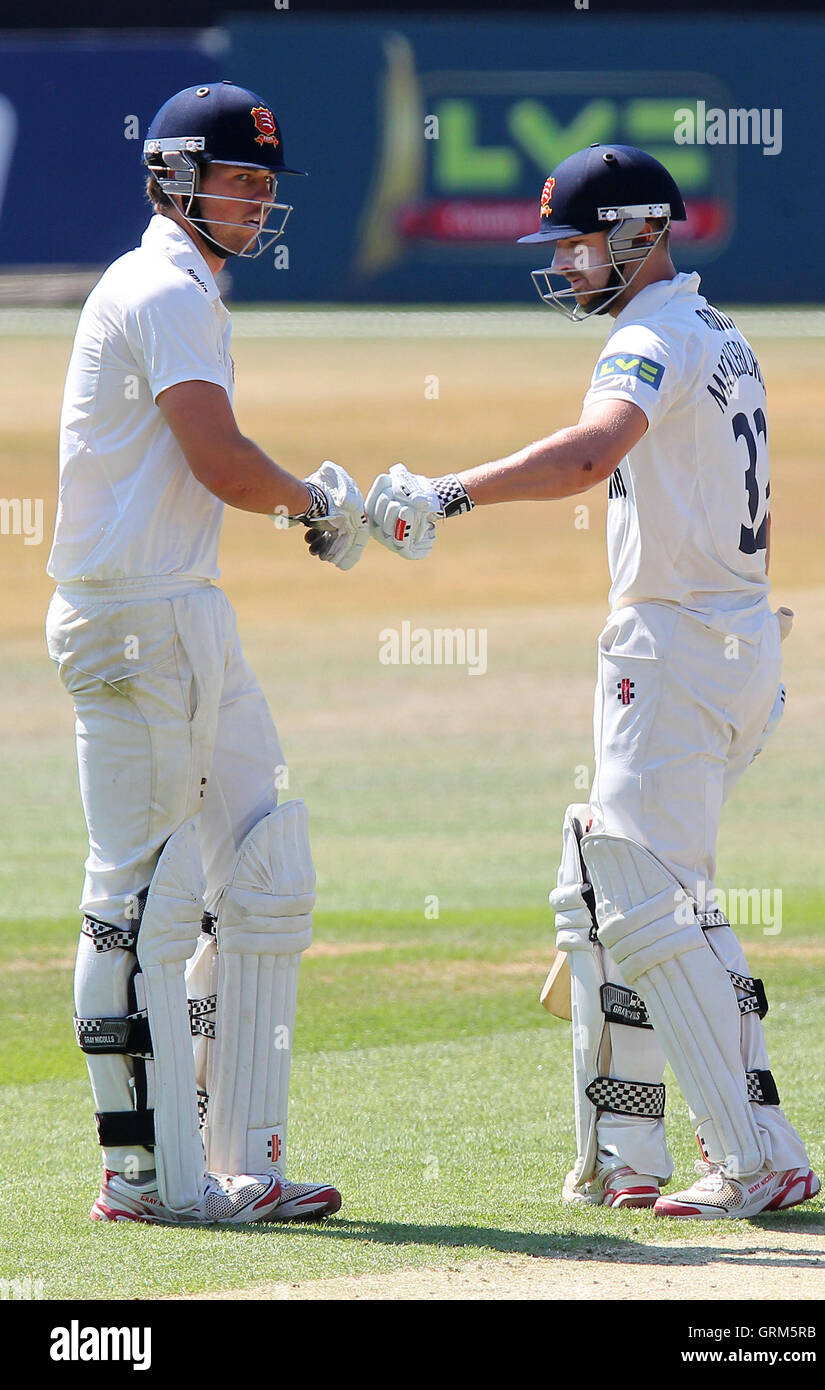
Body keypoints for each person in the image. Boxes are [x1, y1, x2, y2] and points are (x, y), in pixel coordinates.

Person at [363, 144, 819, 1219]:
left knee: (644, 901)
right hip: (728, 641)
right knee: (621, 897)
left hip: (675, 654)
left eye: (574, 245)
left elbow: (585, 455)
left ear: (636, 233)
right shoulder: (714, 329)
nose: (565, 267)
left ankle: (754, 1155)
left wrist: (443, 494)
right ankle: (626, 1150)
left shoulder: (651, 335)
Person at [46, 81, 367, 1225]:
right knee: (135, 901)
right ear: (176, 179)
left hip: (183, 610)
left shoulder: (184, 286)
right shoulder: (162, 286)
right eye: (237, 179)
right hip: (134, 618)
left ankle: (241, 1155)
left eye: (264, 183)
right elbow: (222, 462)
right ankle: (141, 1172)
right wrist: (316, 505)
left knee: (263, 868)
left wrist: (307, 504)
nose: (255, 199)